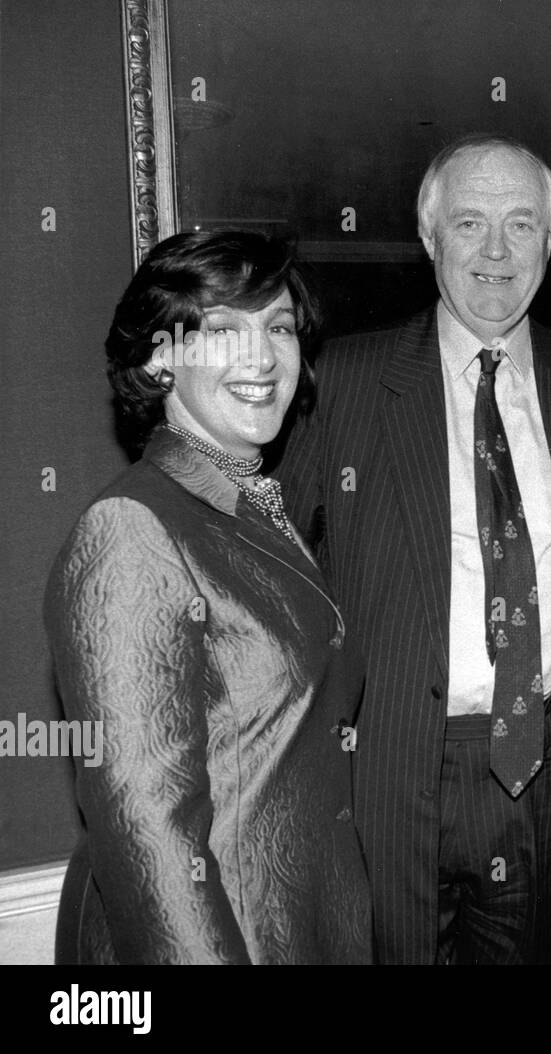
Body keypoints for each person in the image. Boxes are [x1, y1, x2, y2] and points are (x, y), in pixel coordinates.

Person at [277, 134, 551, 964]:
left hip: (543, 766)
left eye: (522, 226)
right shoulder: (340, 380)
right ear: (428, 236)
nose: (495, 251)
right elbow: (275, 573)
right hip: (382, 769)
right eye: (470, 223)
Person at [46, 230, 372, 964]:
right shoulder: (131, 527)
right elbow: (147, 833)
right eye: (223, 329)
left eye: (279, 328)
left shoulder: (256, 507)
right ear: (161, 356)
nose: (261, 358)